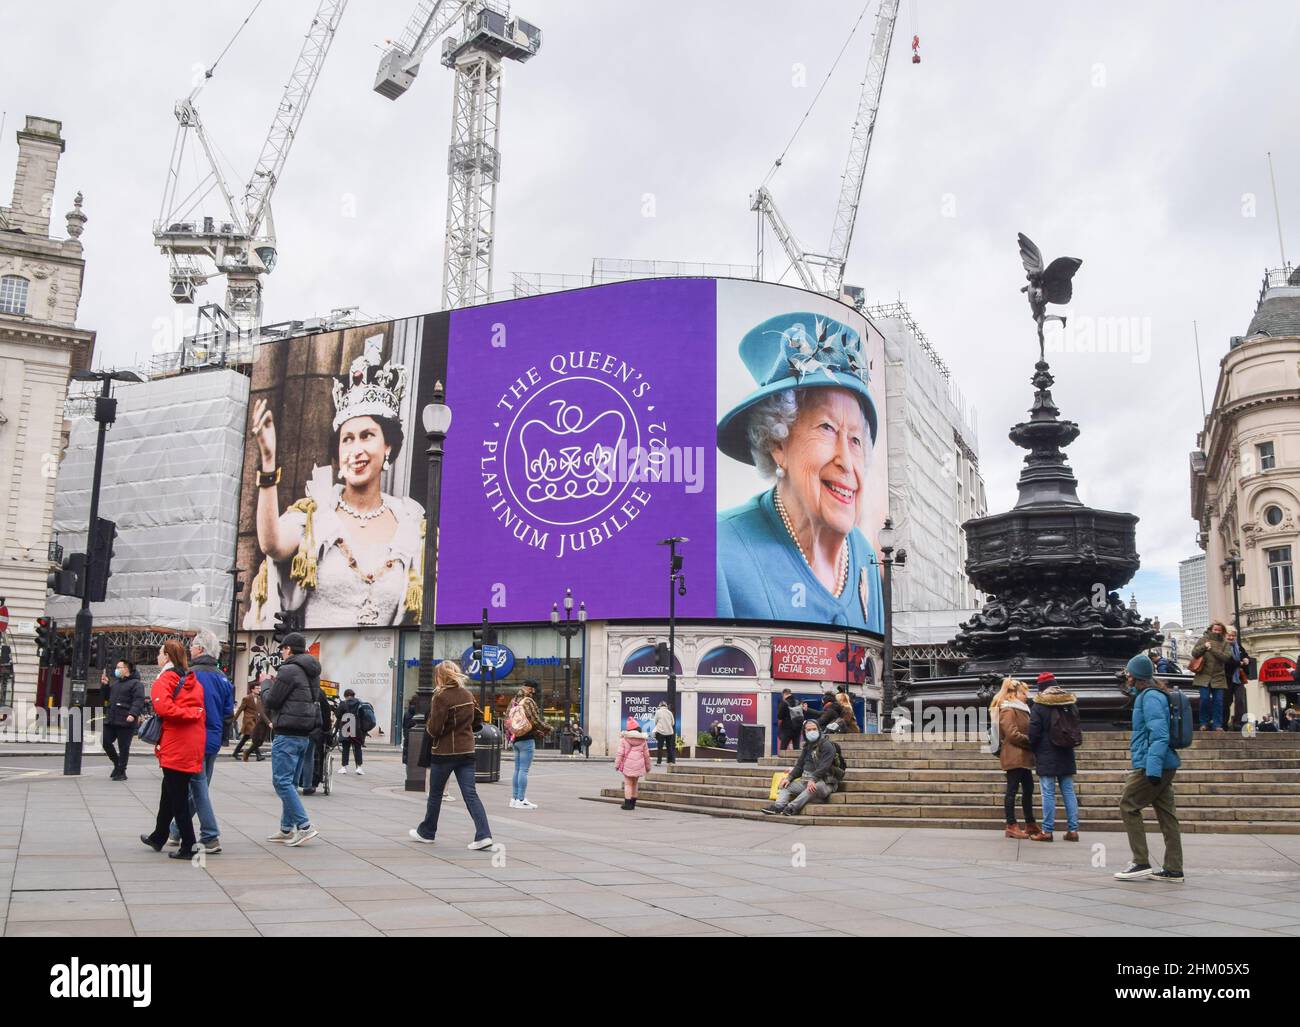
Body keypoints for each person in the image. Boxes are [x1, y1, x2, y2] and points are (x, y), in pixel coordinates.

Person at [715, 312, 884, 632]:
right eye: (827, 428)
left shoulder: (865, 556)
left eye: (856, 439)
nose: (847, 462)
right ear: (777, 442)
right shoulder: (719, 553)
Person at [245, 339, 426, 630]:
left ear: (388, 446)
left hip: (382, 672)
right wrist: (267, 462)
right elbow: (272, 544)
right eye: (347, 439)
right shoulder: (315, 516)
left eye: (367, 435)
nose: (356, 449)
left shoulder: (411, 527)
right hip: (319, 669)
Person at [408, 661, 493, 850]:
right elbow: (479, 718)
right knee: (470, 794)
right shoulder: (468, 695)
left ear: (440, 677)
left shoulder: (441, 697)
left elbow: (435, 728)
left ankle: (427, 832)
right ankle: (484, 834)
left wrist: (430, 725)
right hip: (467, 751)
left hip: (444, 752)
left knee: (435, 794)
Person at [1115, 653, 1184, 884]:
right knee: (1167, 814)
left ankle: (1140, 861)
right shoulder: (1150, 694)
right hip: (1163, 763)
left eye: (1129, 673)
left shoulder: (1150, 697)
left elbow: (1160, 734)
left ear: (1136, 676)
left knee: (1128, 804)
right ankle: (1174, 868)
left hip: (1152, 764)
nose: (1127, 677)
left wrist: (1152, 769)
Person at [167, 630, 234, 854]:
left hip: (194, 737)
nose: (191, 649)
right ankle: (176, 830)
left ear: (201, 650)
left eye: (194, 646)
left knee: (198, 787)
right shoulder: (223, 678)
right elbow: (228, 713)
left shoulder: (191, 675)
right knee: (200, 785)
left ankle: (210, 835)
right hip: (213, 739)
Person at [139, 640, 206, 860]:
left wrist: (190, 714)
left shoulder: (165, 679)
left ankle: (189, 845)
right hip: (193, 741)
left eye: (159, 653)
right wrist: (193, 713)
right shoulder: (191, 680)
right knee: (169, 791)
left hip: (177, 743)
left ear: (167, 656)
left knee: (177, 797)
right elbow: (197, 707)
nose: (158, 657)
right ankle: (159, 835)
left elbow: (163, 707)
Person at [262, 632, 321, 846]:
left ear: (288, 649)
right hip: (304, 734)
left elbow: (273, 701)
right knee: (291, 782)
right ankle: (287, 829)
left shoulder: (288, 670)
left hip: (287, 733)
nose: (281, 652)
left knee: (281, 782)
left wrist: (266, 685)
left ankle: (304, 826)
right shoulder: (311, 671)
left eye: (282, 648)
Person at [1026, 672, 1081, 842]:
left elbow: (1033, 732)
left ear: (1041, 687)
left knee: (1048, 792)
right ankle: (1073, 830)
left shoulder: (1039, 705)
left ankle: (1047, 831)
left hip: (1046, 752)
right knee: (1068, 791)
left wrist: (1033, 747)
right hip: (1066, 751)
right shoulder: (1069, 703)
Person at [761, 717, 844, 816]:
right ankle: (778, 806)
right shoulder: (807, 746)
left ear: (819, 729)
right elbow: (799, 766)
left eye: (814, 729)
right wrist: (789, 778)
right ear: (804, 732)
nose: (811, 732)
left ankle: (792, 808)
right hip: (805, 781)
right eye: (808, 730)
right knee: (786, 786)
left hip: (825, 782)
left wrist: (813, 779)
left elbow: (824, 766)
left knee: (812, 788)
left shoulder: (827, 746)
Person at [991, 678, 1038, 839]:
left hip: (1023, 756)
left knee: (1028, 790)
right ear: (1015, 694)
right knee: (1012, 790)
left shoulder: (1021, 709)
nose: (1027, 696)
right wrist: (1032, 742)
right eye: (1024, 693)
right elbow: (1012, 734)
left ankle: (1030, 823)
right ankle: (1011, 825)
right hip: (1014, 756)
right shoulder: (1008, 710)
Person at [505, 681, 548, 809]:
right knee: (524, 770)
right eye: (533, 690)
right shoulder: (528, 701)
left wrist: (511, 735)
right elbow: (535, 720)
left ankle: (514, 799)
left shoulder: (514, 700)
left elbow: (507, 719)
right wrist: (547, 729)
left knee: (517, 769)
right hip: (527, 739)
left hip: (516, 738)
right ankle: (521, 799)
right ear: (530, 689)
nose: (534, 692)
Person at [102, 658, 145, 780]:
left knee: (124, 747)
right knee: (105, 742)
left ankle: (121, 772)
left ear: (126, 669)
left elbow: (138, 700)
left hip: (126, 720)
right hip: (111, 719)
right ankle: (117, 764)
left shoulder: (137, 684)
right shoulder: (116, 684)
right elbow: (107, 697)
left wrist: (133, 713)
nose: (116, 670)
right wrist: (105, 686)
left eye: (119, 667)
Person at [1191, 621, 1229, 731]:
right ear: (1210, 629)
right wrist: (1204, 647)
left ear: (1222, 631)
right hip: (1203, 676)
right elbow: (1194, 653)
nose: (1217, 632)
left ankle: (1217, 724)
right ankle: (1204, 723)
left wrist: (1211, 649)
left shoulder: (1225, 643)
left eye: (1219, 630)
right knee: (1204, 700)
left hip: (1219, 677)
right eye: (1215, 630)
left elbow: (1226, 657)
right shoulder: (1203, 640)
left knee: (1218, 701)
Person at [300, 687, 333, 795]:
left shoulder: (294, 687)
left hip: (294, 728)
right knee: (310, 756)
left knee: (294, 755)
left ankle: (292, 782)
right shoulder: (318, 692)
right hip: (313, 730)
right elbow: (326, 712)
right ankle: (309, 784)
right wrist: (327, 731)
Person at [615, 716, 651, 810]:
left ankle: (627, 804)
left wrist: (617, 765)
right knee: (635, 784)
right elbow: (647, 755)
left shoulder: (624, 739)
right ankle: (633, 803)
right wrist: (648, 767)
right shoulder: (643, 740)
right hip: (639, 765)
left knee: (628, 784)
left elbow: (620, 754)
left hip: (628, 764)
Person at [232, 681, 269, 761]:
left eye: (259, 688)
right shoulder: (247, 698)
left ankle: (235, 752)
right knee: (255, 738)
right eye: (257, 688)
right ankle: (258, 755)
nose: (259, 690)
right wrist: (234, 720)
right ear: (252, 690)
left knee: (245, 738)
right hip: (248, 721)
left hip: (255, 721)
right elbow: (240, 709)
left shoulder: (259, 698)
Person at [337, 688, 368, 776]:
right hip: (356, 729)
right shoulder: (359, 703)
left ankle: (344, 767)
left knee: (345, 749)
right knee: (357, 748)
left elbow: (338, 715)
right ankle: (359, 767)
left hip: (345, 728)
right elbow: (363, 715)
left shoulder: (343, 703)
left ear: (346, 696)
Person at [1224, 629, 1250, 729]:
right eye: (1229, 635)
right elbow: (1226, 662)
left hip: (1238, 678)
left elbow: (1245, 656)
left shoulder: (1238, 647)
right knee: (1226, 702)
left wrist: (1246, 659)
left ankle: (1238, 723)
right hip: (1227, 678)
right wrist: (1239, 663)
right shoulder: (1223, 647)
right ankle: (1224, 723)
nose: (1231, 638)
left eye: (1233, 636)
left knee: (1240, 700)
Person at [653, 700, 677, 765]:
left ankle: (659, 762)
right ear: (666, 706)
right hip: (669, 732)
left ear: (660, 706)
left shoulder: (658, 712)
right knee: (669, 747)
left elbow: (655, 721)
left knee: (660, 747)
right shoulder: (670, 712)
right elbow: (673, 723)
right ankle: (670, 762)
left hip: (661, 732)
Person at [401, 695, 418, 765]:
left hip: (408, 740)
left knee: (409, 764)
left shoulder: (407, 713)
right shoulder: (419, 713)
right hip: (416, 741)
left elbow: (404, 727)